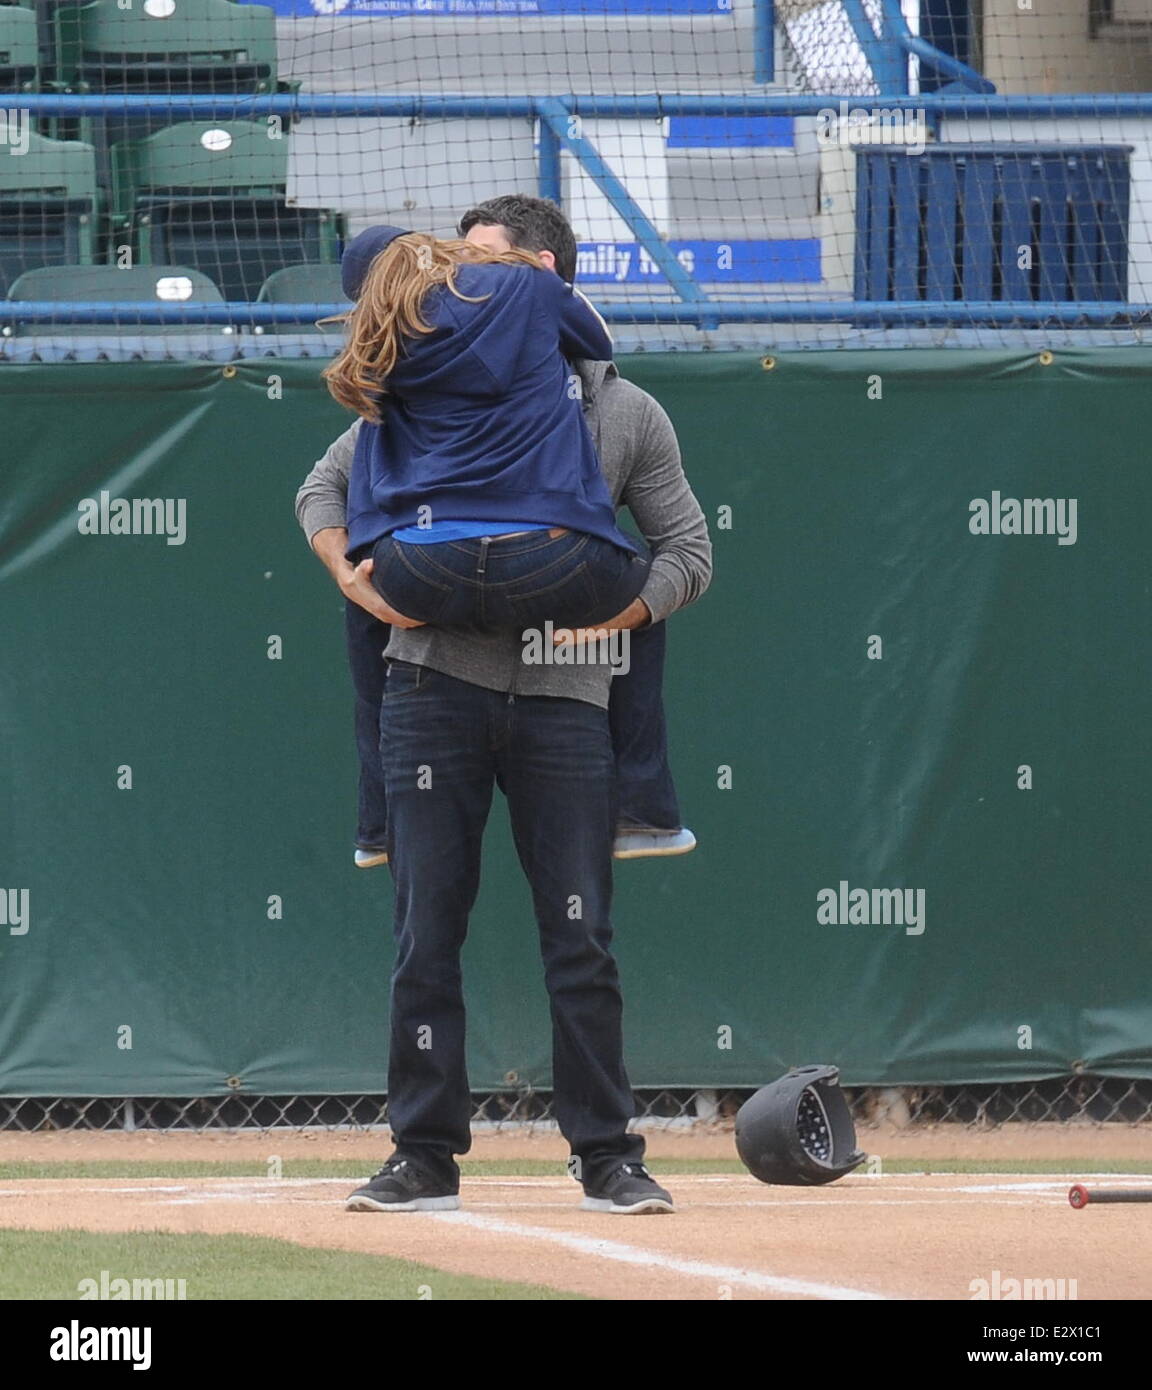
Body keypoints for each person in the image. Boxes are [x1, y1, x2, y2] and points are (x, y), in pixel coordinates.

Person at [297, 196, 699, 869]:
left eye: (478, 263)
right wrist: (346, 572)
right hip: (449, 668)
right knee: (364, 578)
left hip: (561, 686)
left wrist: (621, 619)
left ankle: (634, 810)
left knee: (578, 933)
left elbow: (689, 553)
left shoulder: (624, 409)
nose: (463, 279)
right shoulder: (414, 390)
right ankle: (385, 821)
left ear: (537, 268)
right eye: (457, 267)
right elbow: (319, 490)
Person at [324, 226, 653, 634]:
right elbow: (598, 343)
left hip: (416, 568)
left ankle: (374, 701)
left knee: (368, 587)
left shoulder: (381, 342)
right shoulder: (527, 282)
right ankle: (632, 701)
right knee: (644, 580)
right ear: (431, 247)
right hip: (553, 560)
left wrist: (343, 570)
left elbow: (319, 488)